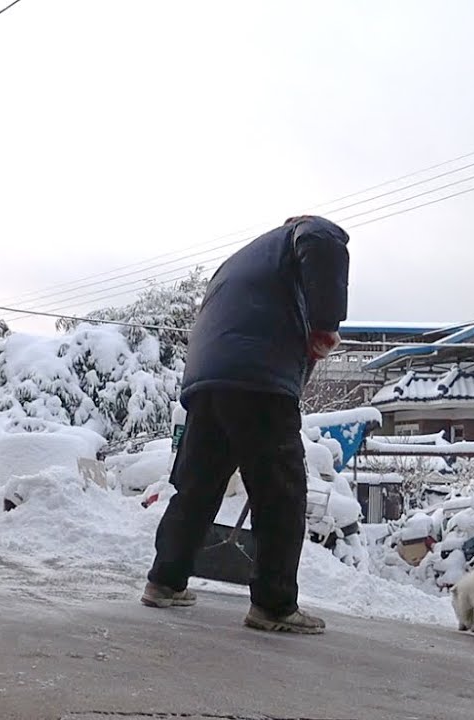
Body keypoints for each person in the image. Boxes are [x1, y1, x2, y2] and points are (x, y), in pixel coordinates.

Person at [140, 215, 351, 635]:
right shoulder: (313, 232)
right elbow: (321, 244)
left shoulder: (245, 258)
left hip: (208, 375)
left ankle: (165, 579)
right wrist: (326, 326)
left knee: (197, 484)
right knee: (281, 491)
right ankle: (274, 604)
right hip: (258, 376)